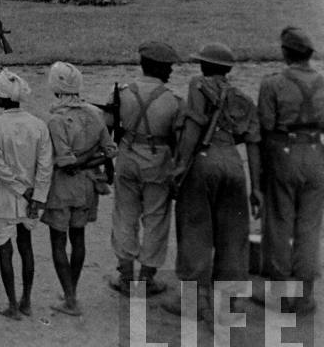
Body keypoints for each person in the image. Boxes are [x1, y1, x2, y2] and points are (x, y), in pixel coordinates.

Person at [165, 43, 260, 321]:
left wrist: (180, 165)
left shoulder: (198, 85)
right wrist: (256, 187)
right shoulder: (242, 98)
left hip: (203, 162)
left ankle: (195, 301)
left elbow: (194, 127)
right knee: (233, 234)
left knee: (195, 229)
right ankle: (230, 303)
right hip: (234, 164)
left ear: (203, 65)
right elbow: (253, 142)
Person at [257, 26, 323, 316]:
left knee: (279, 225)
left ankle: (282, 297)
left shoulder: (272, 83)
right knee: (310, 227)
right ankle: (305, 296)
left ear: (285, 53)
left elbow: (266, 126)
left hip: (284, 153)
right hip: (316, 153)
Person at [109, 41, 184, 297]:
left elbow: (108, 125)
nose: (171, 71)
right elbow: (179, 140)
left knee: (124, 215)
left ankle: (126, 276)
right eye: (169, 66)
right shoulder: (174, 100)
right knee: (156, 218)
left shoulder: (122, 93)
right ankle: (147, 278)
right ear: (162, 68)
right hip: (158, 162)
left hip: (127, 156)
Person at [43, 61, 115, 317]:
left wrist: (78, 162)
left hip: (62, 187)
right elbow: (110, 150)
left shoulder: (56, 119)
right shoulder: (95, 113)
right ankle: (71, 291)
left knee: (58, 241)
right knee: (78, 237)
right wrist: (90, 158)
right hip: (87, 186)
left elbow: (65, 162)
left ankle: (70, 298)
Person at [0, 70, 51, 320]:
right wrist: (37, 195)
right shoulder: (38, 125)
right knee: (26, 246)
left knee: (4, 249)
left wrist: (22, 190)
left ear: (1, 98)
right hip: (29, 200)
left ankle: (12, 304)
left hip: (3, 198)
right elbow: (45, 166)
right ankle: (26, 301)